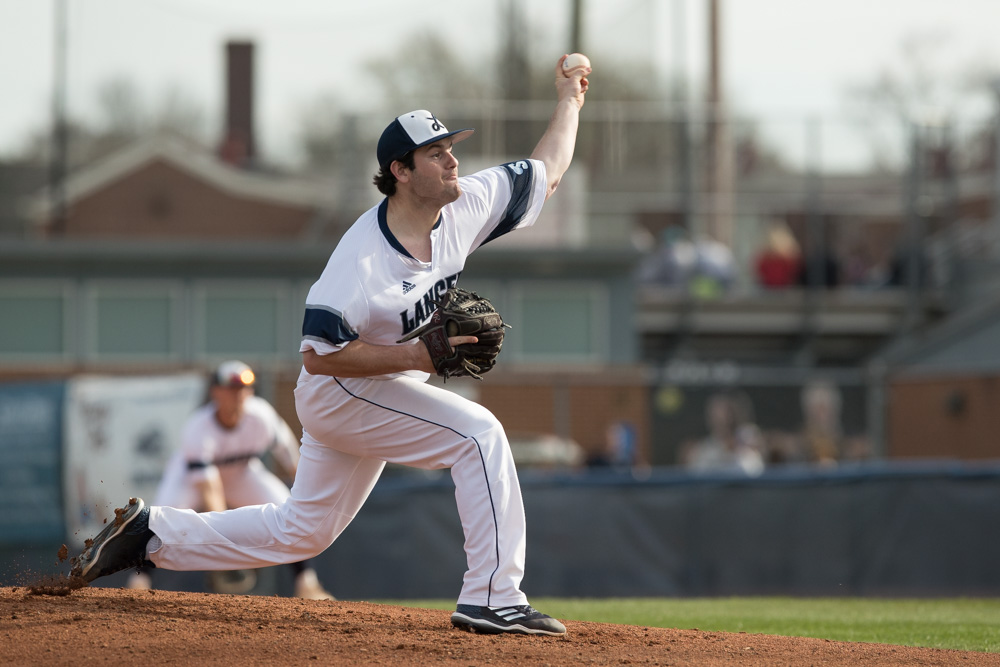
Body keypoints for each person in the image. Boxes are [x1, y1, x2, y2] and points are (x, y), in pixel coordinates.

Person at [70, 54, 590, 637]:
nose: (452, 160)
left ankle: (150, 535)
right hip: (341, 390)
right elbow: (316, 355)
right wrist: (416, 356)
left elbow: (547, 171)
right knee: (479, 435)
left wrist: (569, 99)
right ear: (400, 170)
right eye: (435, 153)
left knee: (303, 532)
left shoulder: (464, 203)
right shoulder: (361, 260)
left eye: (451, 148)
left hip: (379, 390)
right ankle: (493, 597)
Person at [126, 360, 334, 600]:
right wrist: (222, 543)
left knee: (287, 509)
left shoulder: (261, 415)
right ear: (215, 392)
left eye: (245, 388)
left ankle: (307, 582)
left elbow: (292, 461)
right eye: (232, 388)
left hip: (240, 474)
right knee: (162, 518)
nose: (239, 394)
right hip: (189, 480)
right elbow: (209, 488)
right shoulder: (198, 427)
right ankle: (139, 580)